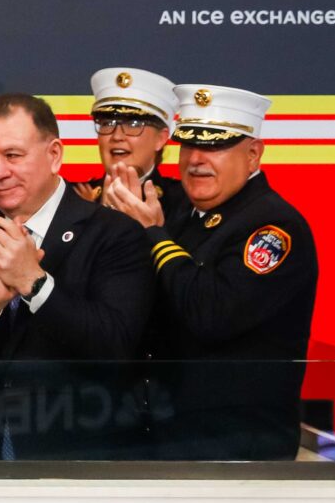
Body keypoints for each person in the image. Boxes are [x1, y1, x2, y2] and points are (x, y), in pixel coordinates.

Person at [0, 94, 153, 458]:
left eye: (13, 155)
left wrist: (36, 284)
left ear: (54, 154)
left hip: (77, 460)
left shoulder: (113, 232)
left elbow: (114, 344)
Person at [105, 84, 318, 459]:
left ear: (253, 155)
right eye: (189, 145)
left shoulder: (273, 227)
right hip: (168, 432)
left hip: (237, 445)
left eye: (215, 146)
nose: (196, 159)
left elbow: (210, 314)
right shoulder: (186, 215)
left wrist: (154, 236)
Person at [77, 66, 189, 228]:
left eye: (133, 124)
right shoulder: (75, 199)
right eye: (107, 123)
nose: (117, 136)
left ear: (161, 138)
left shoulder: (183, 202)